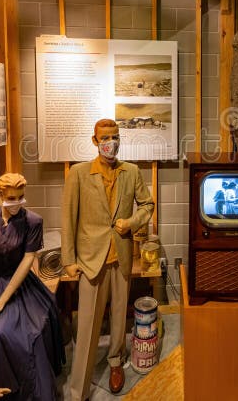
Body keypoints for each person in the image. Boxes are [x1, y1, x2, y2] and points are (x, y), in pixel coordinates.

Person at [61, 119, 155, 400]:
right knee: (88, 324)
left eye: (114, 137)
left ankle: (116, 362)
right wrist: (69, 260)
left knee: (118, 318)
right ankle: (78, 389)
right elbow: (68, 219)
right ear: (94, 141)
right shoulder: (78, 174)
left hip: (121, 256)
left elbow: (147, 204)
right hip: (91, 260)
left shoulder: (132, 172)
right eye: (104, 138)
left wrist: (133, 221)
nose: (110, 143)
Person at [0, 173, 65, 400]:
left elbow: (28, 260)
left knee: (13, 334)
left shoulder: (32, 222)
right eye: (11, 197)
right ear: (0, 196)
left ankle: (24, 393)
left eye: (21, 197)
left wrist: (2, 301)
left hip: (19, 285)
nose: (17, 202)